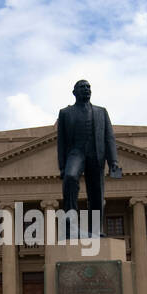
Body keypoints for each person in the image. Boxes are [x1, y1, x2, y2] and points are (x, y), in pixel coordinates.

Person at [56, 79, 121, 236]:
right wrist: (63, 167)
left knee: (97, 193)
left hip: (96, 155)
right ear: (74, 92)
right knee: (70, 178)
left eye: (88, 87)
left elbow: (109, 138)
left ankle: (96, 230)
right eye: (82, 87)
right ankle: (70, 224)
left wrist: (113, 161)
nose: (86, 89)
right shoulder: (65, 113)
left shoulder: (101, 112)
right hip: (76, 153)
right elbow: (61, 142)